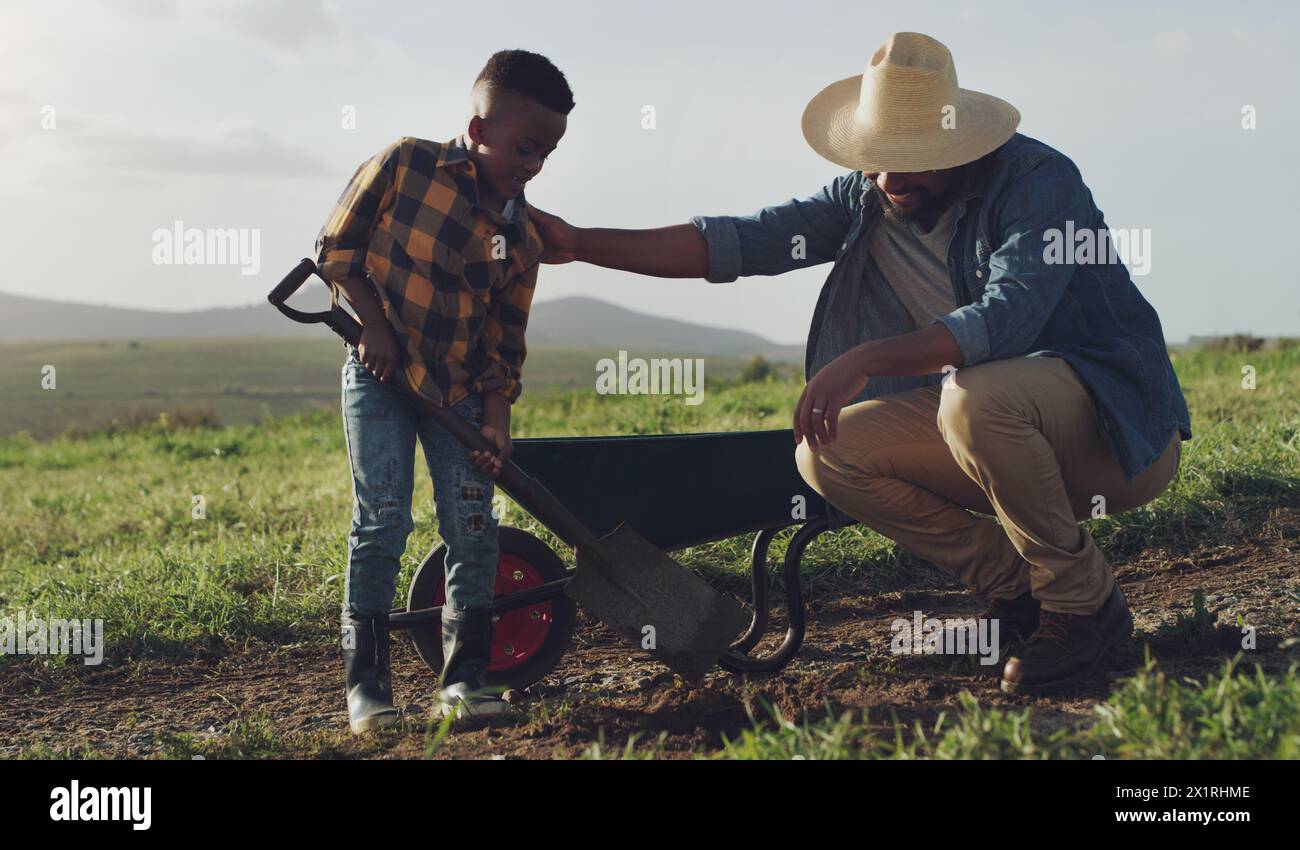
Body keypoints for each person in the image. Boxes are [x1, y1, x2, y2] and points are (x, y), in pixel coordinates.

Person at [526, 32, 1190, 696]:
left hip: (1113, 437)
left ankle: (1082, 609)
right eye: (876, 159)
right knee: (827, 452)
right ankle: (1019, 597)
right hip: (998, 443)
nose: (889, 178)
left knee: (976, 395)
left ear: (957, 143)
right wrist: (580, 243)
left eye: (911, 159)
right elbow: (740, 242)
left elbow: (1007, 315)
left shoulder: (1038, 181)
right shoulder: (867, 197)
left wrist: (867, 358)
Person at [314, 49, 572, 731]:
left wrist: (495, 419)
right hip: (381, 379)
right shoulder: (405, 165)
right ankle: (367, 689)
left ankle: (465, 681)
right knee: (383, 520)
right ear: (479, 129)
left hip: (459, 393)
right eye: (525, 148)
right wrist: (375, 327)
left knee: (474, 529)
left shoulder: (520, 234)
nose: (534, 165)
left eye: (547, 153)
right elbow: (336, 249)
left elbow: (505, 335)